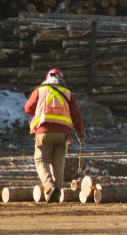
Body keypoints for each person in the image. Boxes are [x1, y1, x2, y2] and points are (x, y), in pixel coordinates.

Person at [24, 68, 85, 203]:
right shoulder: (67, 93)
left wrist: (40, 110)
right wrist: (80, 133)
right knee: (58, 163)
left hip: (43, 132)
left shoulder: (40, 90)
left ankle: (49, 187)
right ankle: (56, 195)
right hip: (62, 134)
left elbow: (28, 109)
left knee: (41, 160)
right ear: (61, 79)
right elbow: (76, 115)